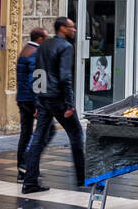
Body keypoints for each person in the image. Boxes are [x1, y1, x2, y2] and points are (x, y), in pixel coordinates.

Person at [21, 17, 85, 194]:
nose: (75, 30)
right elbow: (65, 77)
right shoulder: (66, 47)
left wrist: (37, 99)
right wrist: (69, 104)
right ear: (62, 28)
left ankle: (30, 181)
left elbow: (38, 72)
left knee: (39, 137)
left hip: (43, 97)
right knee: (76, 134)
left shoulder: (43, 45)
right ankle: (82, 178)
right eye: (72, 27)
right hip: (57, 97)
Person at [14, 27, 56, 182]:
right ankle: (27, 163)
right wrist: (39, 104)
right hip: (33, 100)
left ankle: (22, 171)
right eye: (46, 37)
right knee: (48, 130)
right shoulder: (36, 53)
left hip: (23, 98)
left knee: (26, 133)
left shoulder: (26, 50)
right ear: (40, 39)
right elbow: (36, 80)